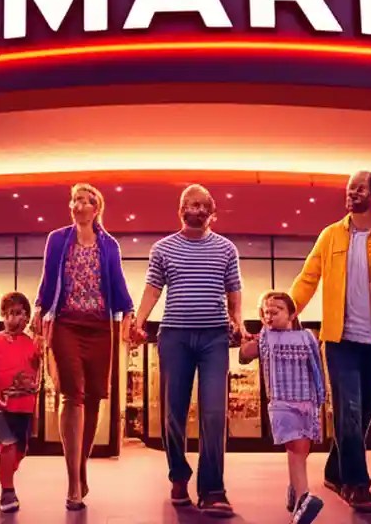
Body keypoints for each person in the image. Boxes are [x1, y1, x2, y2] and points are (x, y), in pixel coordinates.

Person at [289, 171, 371, 514]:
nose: (352, 193)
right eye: (349, 189)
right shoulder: (331, 235)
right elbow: (308, 277)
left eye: (360, 188)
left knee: (360, 417)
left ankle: (334, 470)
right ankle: (357, 485)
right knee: (348, 410)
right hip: (340, 339)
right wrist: (287, 309)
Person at [130, 184, 247, 518]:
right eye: (187, 203)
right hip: (174, 337)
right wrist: (139, 322)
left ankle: (213, 490)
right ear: (179, 210)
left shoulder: (226, 249)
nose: (192, 208)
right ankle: (179, 475)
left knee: (213, 413)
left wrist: (238, 322)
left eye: (199, 204)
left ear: (211, 211)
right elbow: (152, 290)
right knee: (173, 413)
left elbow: (234, 294)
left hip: (214, 339)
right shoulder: (163, 249)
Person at [32, 183, 136, 510]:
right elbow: (49, 280)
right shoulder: (58, 239)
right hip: (66, 323)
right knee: (71, 396)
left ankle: (81, 465)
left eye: (85, 201)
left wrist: (130, 313)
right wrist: (39, 309)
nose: (78, 205)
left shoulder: (109, 245)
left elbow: (117, 284)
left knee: (94, 398)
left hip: (99, 328)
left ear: (96, 208)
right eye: (74, 200)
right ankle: (73, 482)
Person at [239, 291, 326, 524]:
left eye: (275, 311)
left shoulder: (307, 337)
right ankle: (304, 499)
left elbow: (317, 368)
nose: (269, 316)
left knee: (302, 450)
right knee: (296, 449)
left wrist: (320, 397)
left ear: (291, 313)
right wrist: (245, 339)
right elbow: (245, 354)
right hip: (281, 404)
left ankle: (295, 492)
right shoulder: (265, 337)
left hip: (307, 402)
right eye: (266, 312)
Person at [0, 292, 42, 513]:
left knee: (21, 449)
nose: (13, 319)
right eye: (8, 314)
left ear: (26, 317)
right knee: (6, 446)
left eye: (18, 313)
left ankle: (8, 472)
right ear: (2, 317)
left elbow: (41, 369)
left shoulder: (34, 344)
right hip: (2, 406)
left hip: (25, 406)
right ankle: (7, 490)